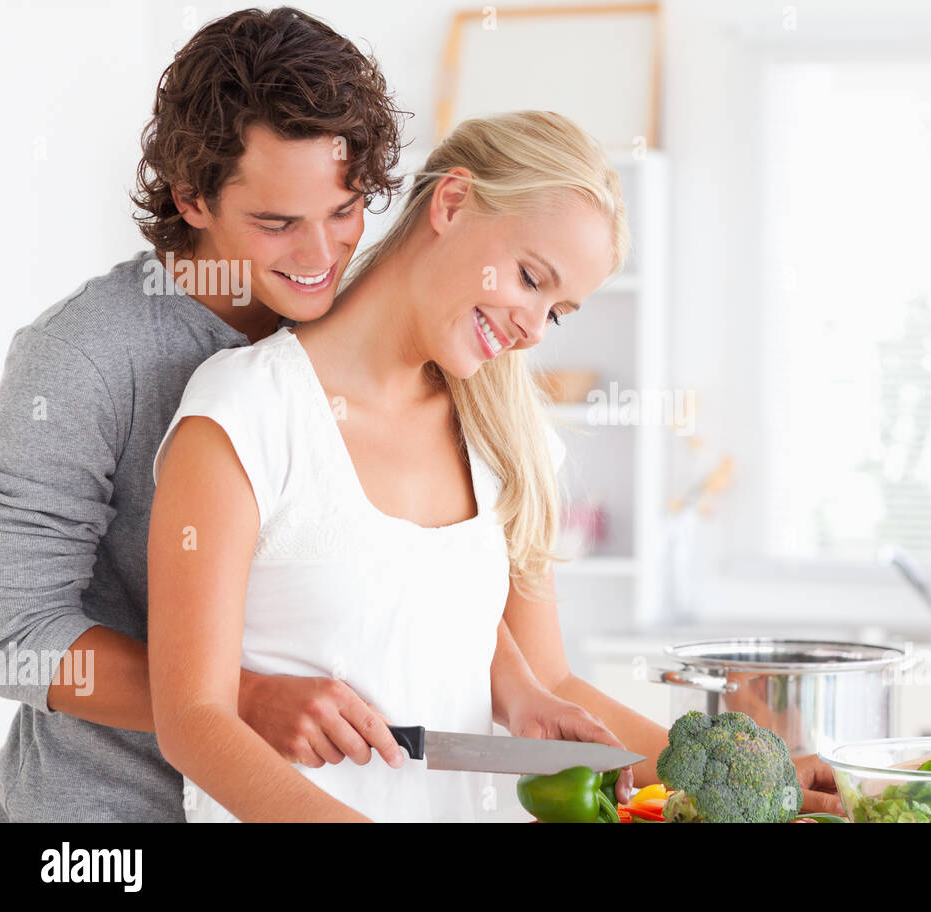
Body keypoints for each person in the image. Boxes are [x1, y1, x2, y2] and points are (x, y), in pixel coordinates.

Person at [0, 7, 619, 823]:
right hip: (103, 816)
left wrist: (513, 681)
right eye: (277, 223)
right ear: (192, 198)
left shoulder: (347, 325)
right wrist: (234, 698)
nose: (323, 259)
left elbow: (375, 565)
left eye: (346, 211)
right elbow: (13, 635)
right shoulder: (84, 357)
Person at [148, 108, 844, 821]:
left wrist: (750, 784)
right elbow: (194, 722)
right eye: (529, 278)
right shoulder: (248, 410)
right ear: (451, 203)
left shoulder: (505, 440)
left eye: (559, 311)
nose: (534, 327)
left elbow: (551, 684)